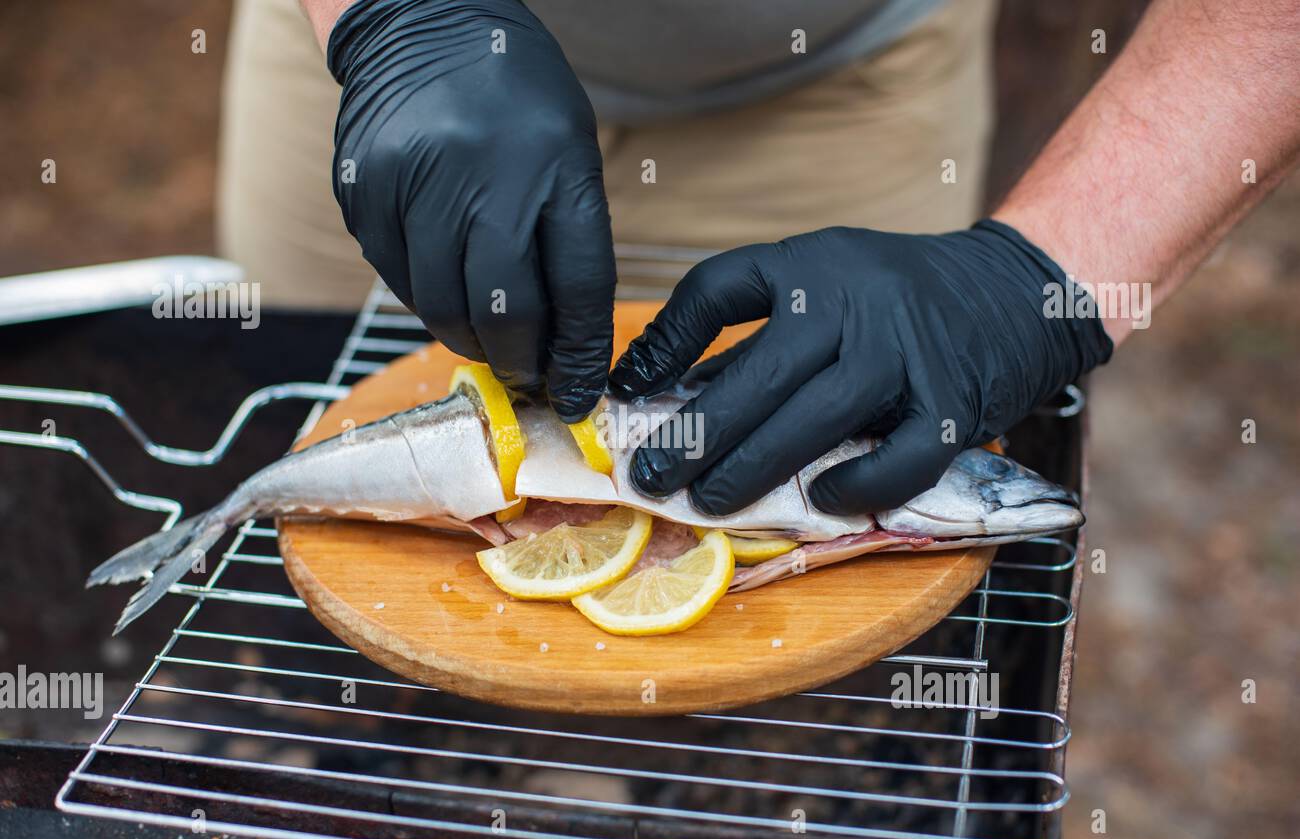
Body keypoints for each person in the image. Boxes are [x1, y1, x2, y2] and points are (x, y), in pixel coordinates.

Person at [220, 0, 1300, 515]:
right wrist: (396, 23)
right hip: (395, 64)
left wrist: (1041, 277)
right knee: (307, 472)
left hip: (841, 87)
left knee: (764, 650)